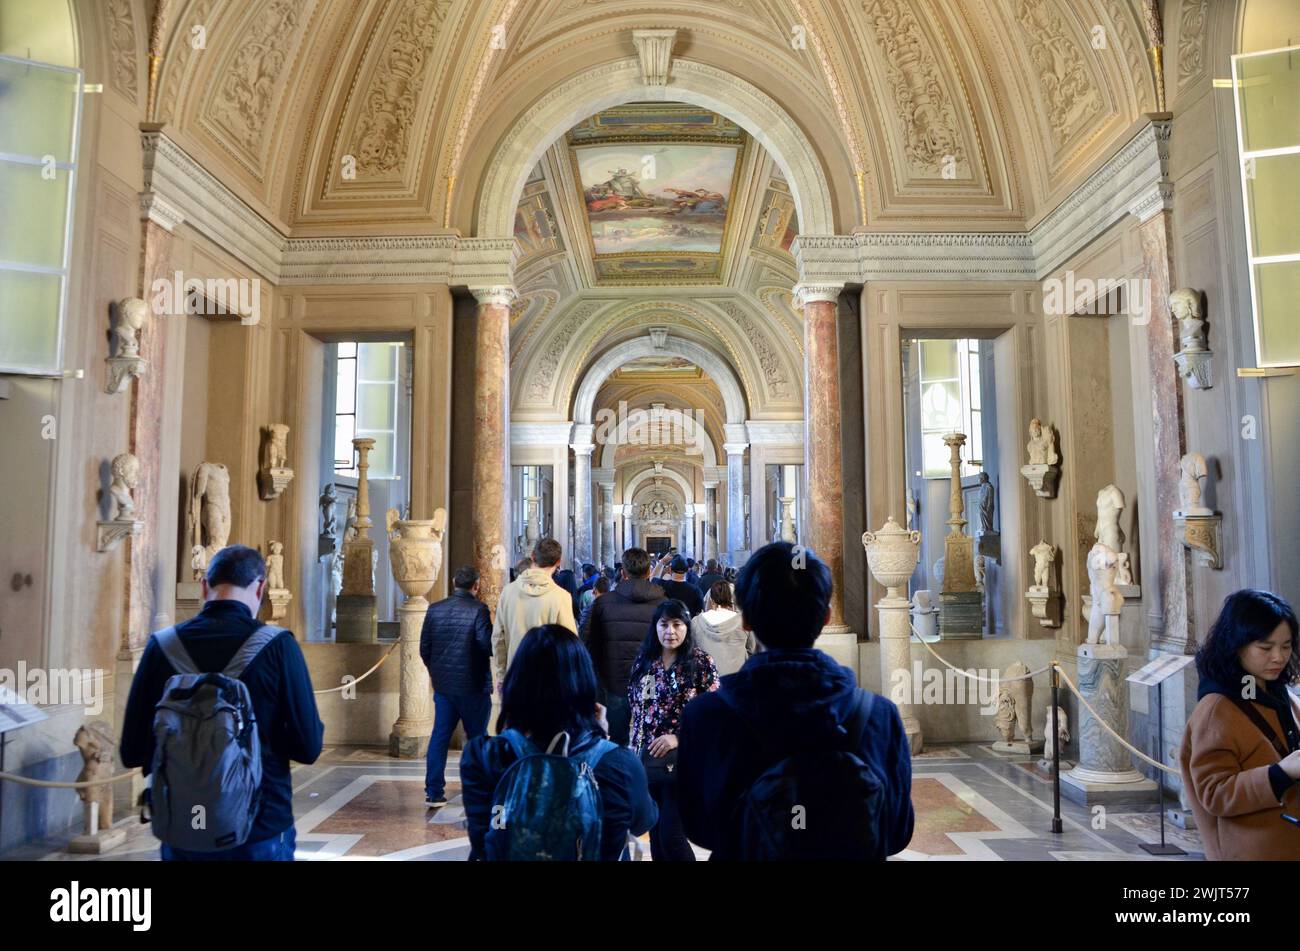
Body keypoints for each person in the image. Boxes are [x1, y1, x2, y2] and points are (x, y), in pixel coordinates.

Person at [677, 541, 914, 860]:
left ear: (745, 620)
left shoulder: (705, 714)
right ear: (827, 616)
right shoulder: (878, 715)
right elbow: (896, 830)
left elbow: (698, 825)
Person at [120, 545, 324, 861]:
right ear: (260, 587)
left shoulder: (161, 646)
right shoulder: (279, 647)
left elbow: (131, 750)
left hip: (182, 824)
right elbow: (308, 747)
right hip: (260, 823)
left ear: (205, 586)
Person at [460, 625, 657, 860]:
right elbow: (643, 821)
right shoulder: (618, 764)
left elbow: (482, 840)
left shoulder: (483, 755)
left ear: (517, 682)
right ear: (584, 683)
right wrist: (601, 742)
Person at [1180, 589, 1300, 860]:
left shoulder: (1281, 694)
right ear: (1237, 645)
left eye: (1286, 645)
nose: (1279, 657)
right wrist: (1279, 773)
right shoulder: (1215, 709)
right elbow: (1214, 793)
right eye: (1266, 648)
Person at [628, 600, 719, 861]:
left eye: (677, 624)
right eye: (664, 624)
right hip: (648, 761)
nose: (670, 631)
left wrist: (677, 738)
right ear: (654, 628)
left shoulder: (700, 662)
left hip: (684, 762)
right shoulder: (645, 661)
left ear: (687, 627)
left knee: (672, 833)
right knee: (656, 835)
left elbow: (712, 714)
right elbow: (637, 712)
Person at [419, 565, 493, 808]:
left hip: (444, 687)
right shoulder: (479, 610)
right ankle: (477, 789)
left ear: (453, 582)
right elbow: (486, 645)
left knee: (439, 736)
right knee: (476, 739)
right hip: (473, 685)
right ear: (476, 585)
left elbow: (424, 648)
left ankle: (433, 791)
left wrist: (437, 673)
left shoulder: (435, 609)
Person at [581, 547, 666, 746]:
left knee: (617, 740)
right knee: (648, 737)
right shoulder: (663, 603)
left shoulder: (603, 603)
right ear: (648, 572)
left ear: (623, 572)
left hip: (613, 680)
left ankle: (622, 774)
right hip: (649, 678)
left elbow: (588, 642)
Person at [492, 538, 576, 688]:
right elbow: (569, 645)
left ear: (532, 556)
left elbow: (498, 638)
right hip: (549, 681)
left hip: (515, 676)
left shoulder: (508, 592)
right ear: (558, 562)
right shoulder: (561, 597)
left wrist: (501, 675)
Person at [691, 580, 753, 676]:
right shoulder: (744, 620)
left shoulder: (696, 622)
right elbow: (752, 650)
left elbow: (692, 650)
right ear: (731, 597)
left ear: (711, 599)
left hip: (706, 681)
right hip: (736, 680)